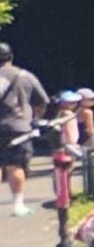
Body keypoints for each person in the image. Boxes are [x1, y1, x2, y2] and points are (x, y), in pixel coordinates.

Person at [0, 43, 49, 216]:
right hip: (18, 127)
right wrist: (36, 119)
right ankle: (18, 205)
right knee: (15, 165)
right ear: (11, 57)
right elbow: (43, 100)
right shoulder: (24, 76)